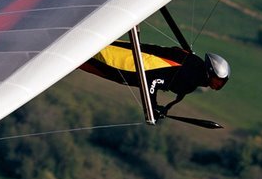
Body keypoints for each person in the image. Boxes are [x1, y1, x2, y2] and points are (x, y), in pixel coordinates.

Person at [79, 40, 229, 119]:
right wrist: (152, 106)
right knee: (84, 56)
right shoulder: (190, 75)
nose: (218, 85)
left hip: (135, 61)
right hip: (127, 64)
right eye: (218, 81)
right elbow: (153, 81)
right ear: (210, 72)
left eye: (221, 83)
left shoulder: (195, 68)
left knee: (86, 54)